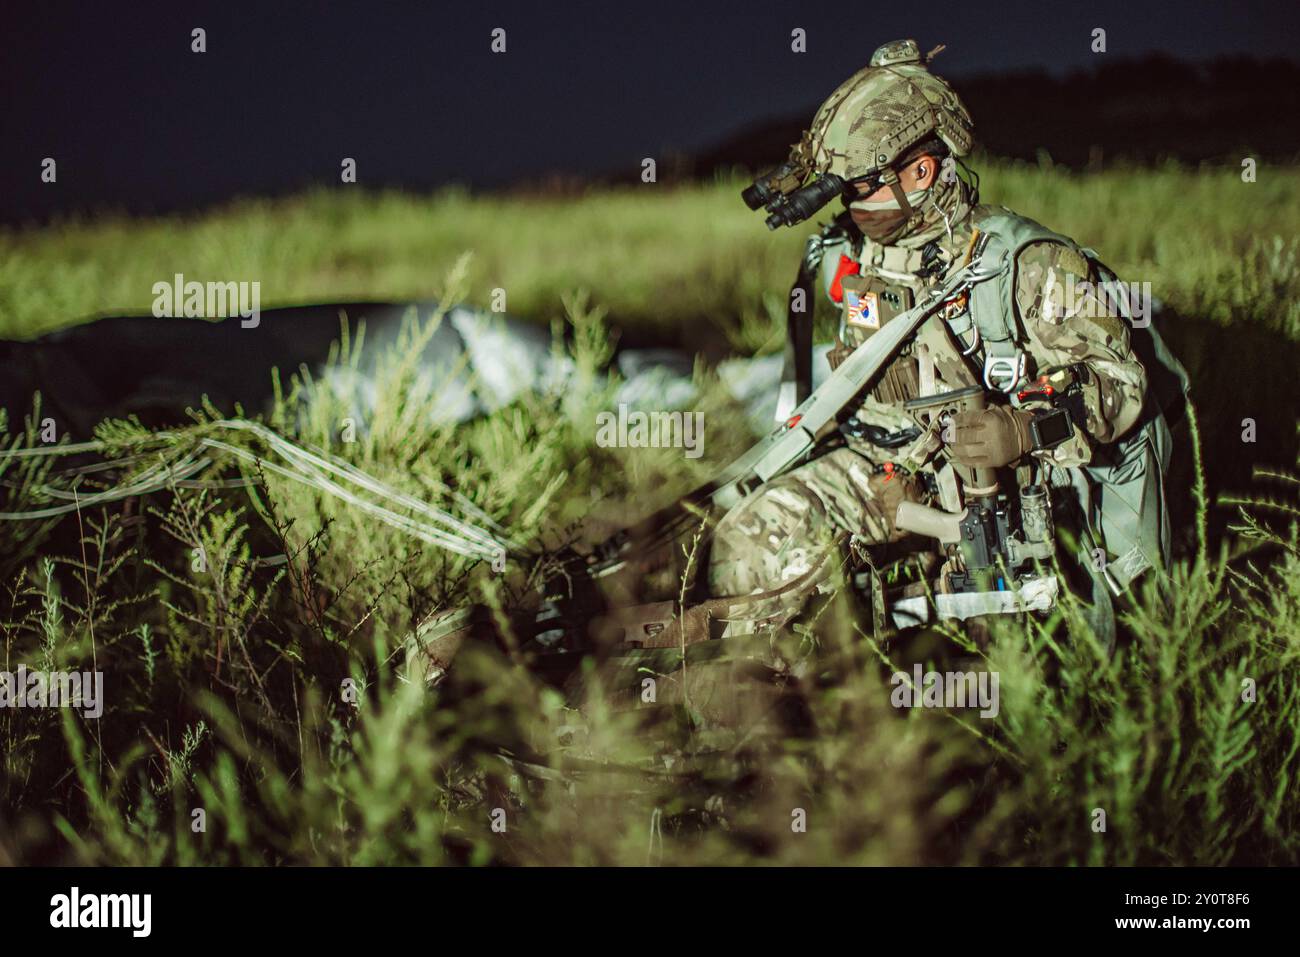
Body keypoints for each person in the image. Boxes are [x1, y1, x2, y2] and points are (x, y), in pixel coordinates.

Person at [708, 39, 1182, 637]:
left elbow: (1122, 387)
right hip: (892, 472)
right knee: (750, 543)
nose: (853, 207)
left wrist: (1022, 426)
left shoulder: (1029, 262)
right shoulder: (863, 255)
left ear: (922, 171)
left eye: (862, 188)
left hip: (1017, 494)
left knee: (1019, 662)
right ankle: (783, 703)